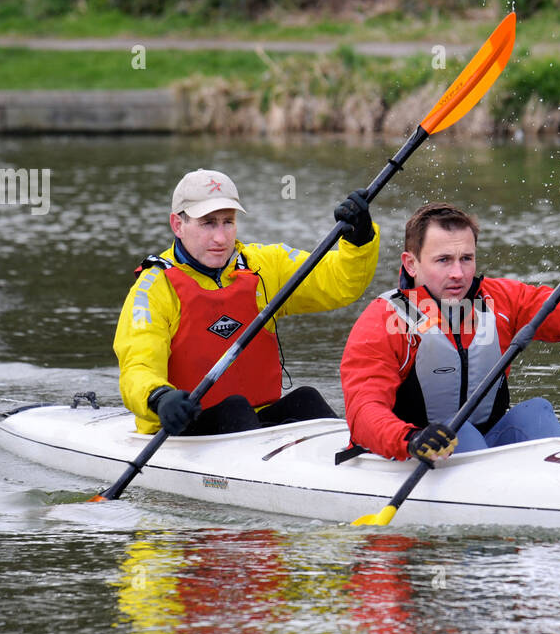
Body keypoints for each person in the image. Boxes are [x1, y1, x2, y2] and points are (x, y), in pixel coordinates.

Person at [340, 201, 560, 465]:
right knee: (461, 432)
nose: (458, 273)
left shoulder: (501, 299)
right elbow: (364, 412)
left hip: (481, 445)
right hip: (409, 453)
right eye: (444, 260)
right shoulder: (384, 319)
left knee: (536, 412)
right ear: (411, 263)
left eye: (466, 258)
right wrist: (411, 438)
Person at [115, 168, 379, 435]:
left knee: (306, 399)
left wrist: (360, 239)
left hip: (254, 424)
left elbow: (341, 284)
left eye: (227, 222)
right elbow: (137, 366)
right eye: (208, 223)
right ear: (177, 225)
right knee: (234, 407)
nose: (220, 238)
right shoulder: (154, 289)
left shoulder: (265, 265)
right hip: (183, 427)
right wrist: (159, 398)